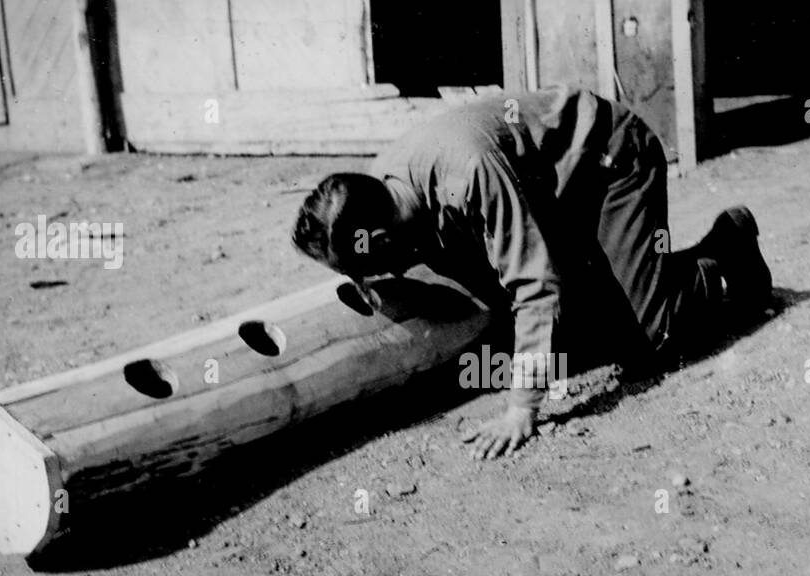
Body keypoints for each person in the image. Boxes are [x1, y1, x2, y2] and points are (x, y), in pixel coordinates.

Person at [292, 86, 771, 459]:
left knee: (647, 338)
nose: (369, 281)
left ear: (379, 240)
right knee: (576, 329)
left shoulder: (468, 173)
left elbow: (536, 287)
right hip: (546, 188)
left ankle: (724, 248)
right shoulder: (381, 192)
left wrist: (522, 407)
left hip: (609, 161)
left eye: (364, 269)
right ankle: (625, 275)